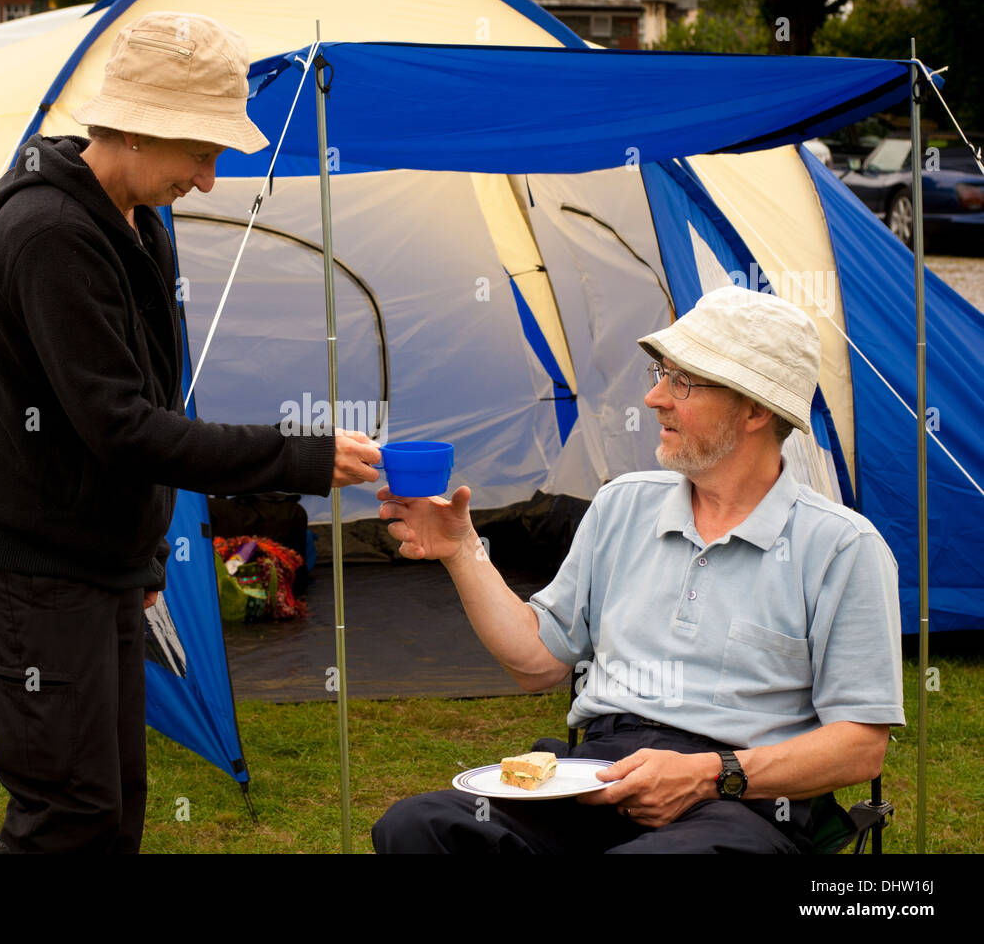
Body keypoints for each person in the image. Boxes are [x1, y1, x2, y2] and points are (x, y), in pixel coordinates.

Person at [0, 11, 381, 854]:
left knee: (112, 809)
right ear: (145, 129)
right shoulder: (50, 234)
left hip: (100, 564)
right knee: (64, 818)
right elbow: (124, 427)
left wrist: (141, 555)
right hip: (37, 570)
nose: (212, 181)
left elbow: (148, 398)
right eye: (205, 154)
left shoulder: (134, 220)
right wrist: (303, 456)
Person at [371, 286, 904, 854]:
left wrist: (706, 773)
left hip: (737, 799)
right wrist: (461, 549)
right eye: (661, 374)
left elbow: (859, 746)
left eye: (684, 382)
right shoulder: (622, 504)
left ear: (756, 409)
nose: (654, 398)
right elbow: (536, 662)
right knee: (416, 828)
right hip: (597, 778)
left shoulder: (841, 547)